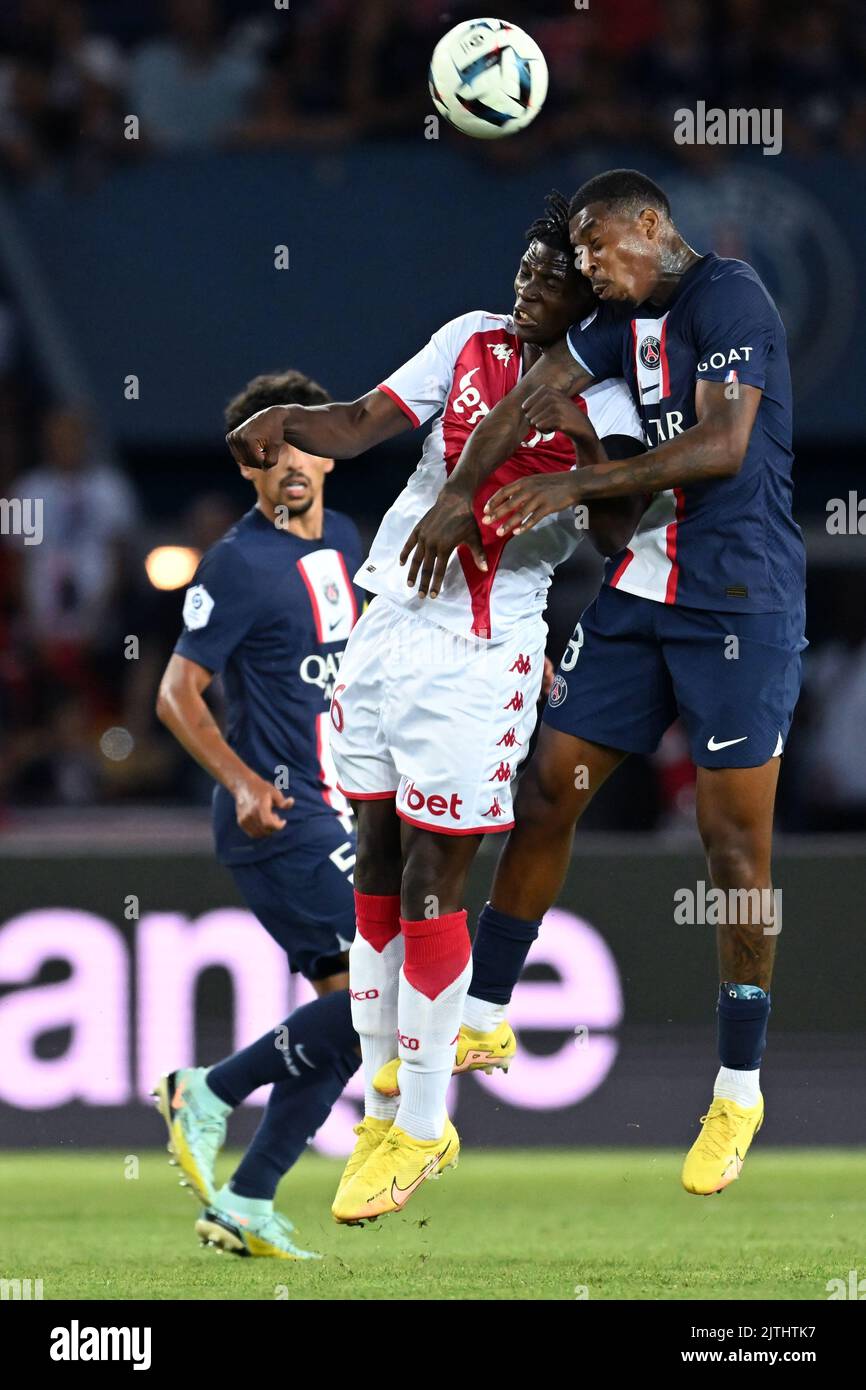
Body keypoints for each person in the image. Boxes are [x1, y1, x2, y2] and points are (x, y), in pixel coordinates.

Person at [226, 192, 646, 1224]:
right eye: (520, 270)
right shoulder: (466, 339)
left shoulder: (610, 394)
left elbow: (623, 521)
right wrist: (290, 424)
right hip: (387, 624)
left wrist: (580, 458)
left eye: (547, 277)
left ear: (584, 292)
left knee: (432, 867)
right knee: (372, 848)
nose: (523, 289)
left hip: (479, 646)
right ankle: (381, 1098)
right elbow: (365, 421)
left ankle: (423, 1120)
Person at [400, 168, 806, 1197]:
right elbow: (521, 398)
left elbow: (721, 448)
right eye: (574, 255)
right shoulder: (611, 325)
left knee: (731, 848)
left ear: (648, 226)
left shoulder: (729, 298)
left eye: (596, 248)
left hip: (739, 602)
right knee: (545, 790)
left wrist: (571, 483)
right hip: (642, 592)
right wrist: (455, 497)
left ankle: (737, 1089)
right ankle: (486, 1018)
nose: (586, 268)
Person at [155, 369, 364, 1259]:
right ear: (247, 467)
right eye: (266, 452)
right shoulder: (237, 563)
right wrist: (242, 781)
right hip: (276, 816)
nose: (288, 464)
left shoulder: (349, 540)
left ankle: (245, 1199)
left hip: (340, 810)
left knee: (349, 1026)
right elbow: (176, 693)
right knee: (378, 1000)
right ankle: (207, 1090)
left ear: (329, 450)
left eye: (303, 443)